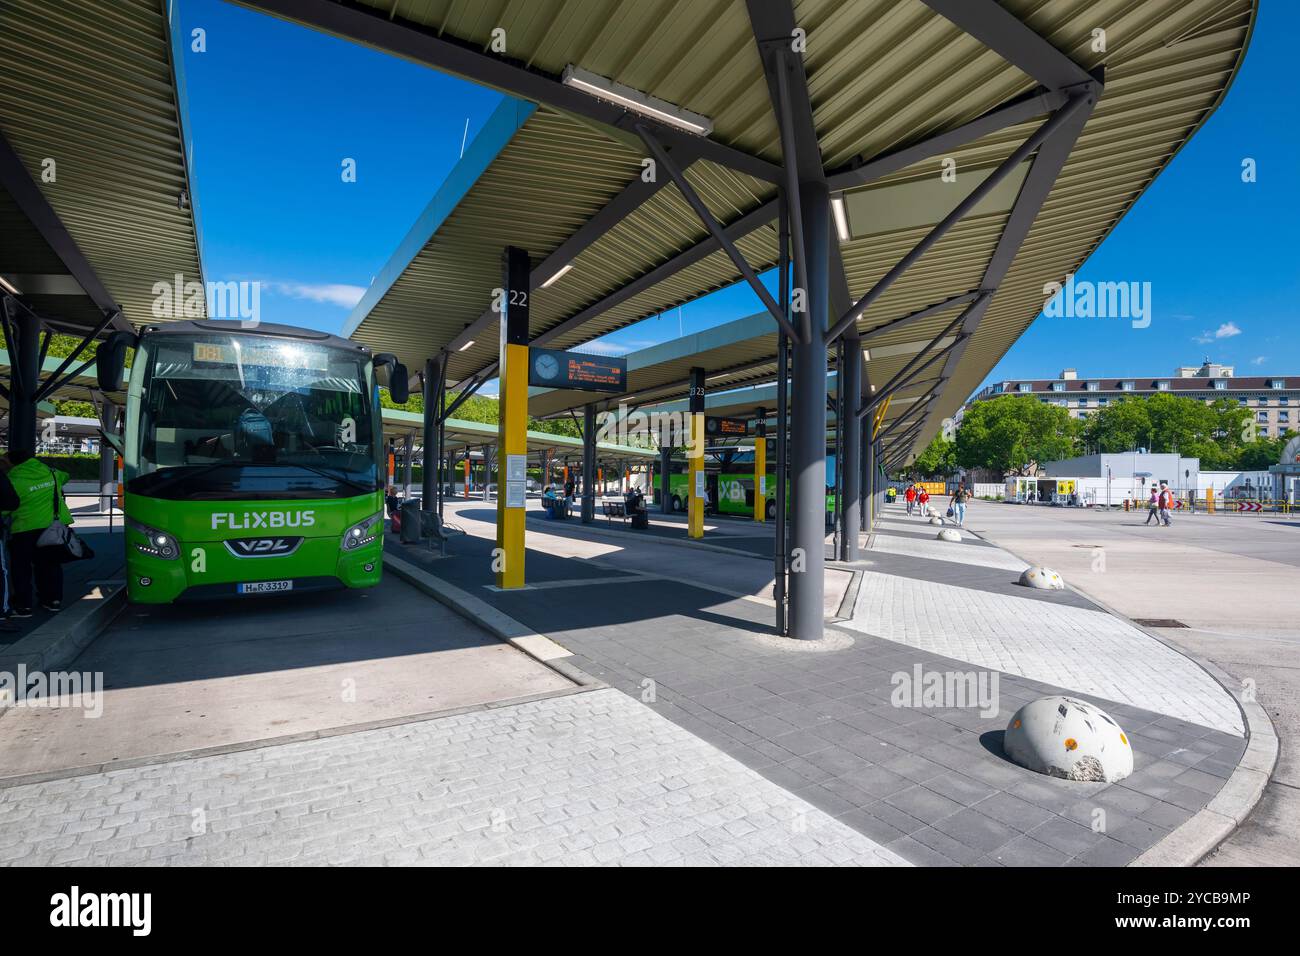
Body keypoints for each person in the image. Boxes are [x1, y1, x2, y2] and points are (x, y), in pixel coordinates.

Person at [0, 450, 73, 616]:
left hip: (23, 530)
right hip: (51, 529)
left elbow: (5, 506)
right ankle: (52, 601)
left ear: (12, 463)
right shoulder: (52, 473)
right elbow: (66, 476)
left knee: (21, 569)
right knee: (50, 565)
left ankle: (24, 606)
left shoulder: (12, 479)